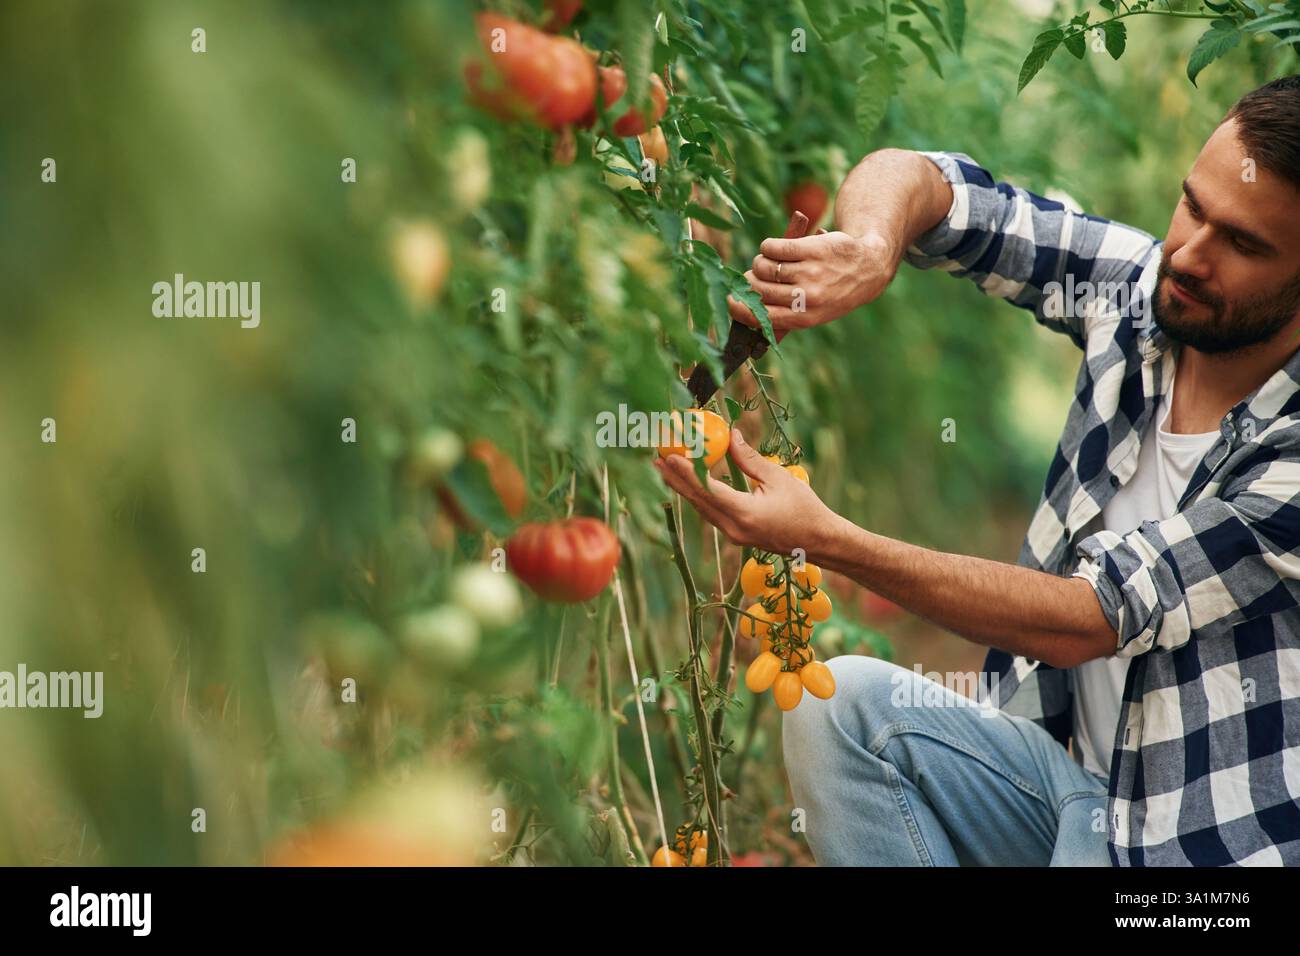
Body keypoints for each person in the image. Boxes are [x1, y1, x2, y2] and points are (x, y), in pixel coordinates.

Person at [652, 76, 1300, 866]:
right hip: (1067, 792)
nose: (1190, 255)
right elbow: (929, 183)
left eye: (1243, 244)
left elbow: (1089, 618)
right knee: (841, 712)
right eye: (1193, 208)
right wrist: (869, 247)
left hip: (1193, 853)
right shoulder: (1137, 298)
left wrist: (827, 538)